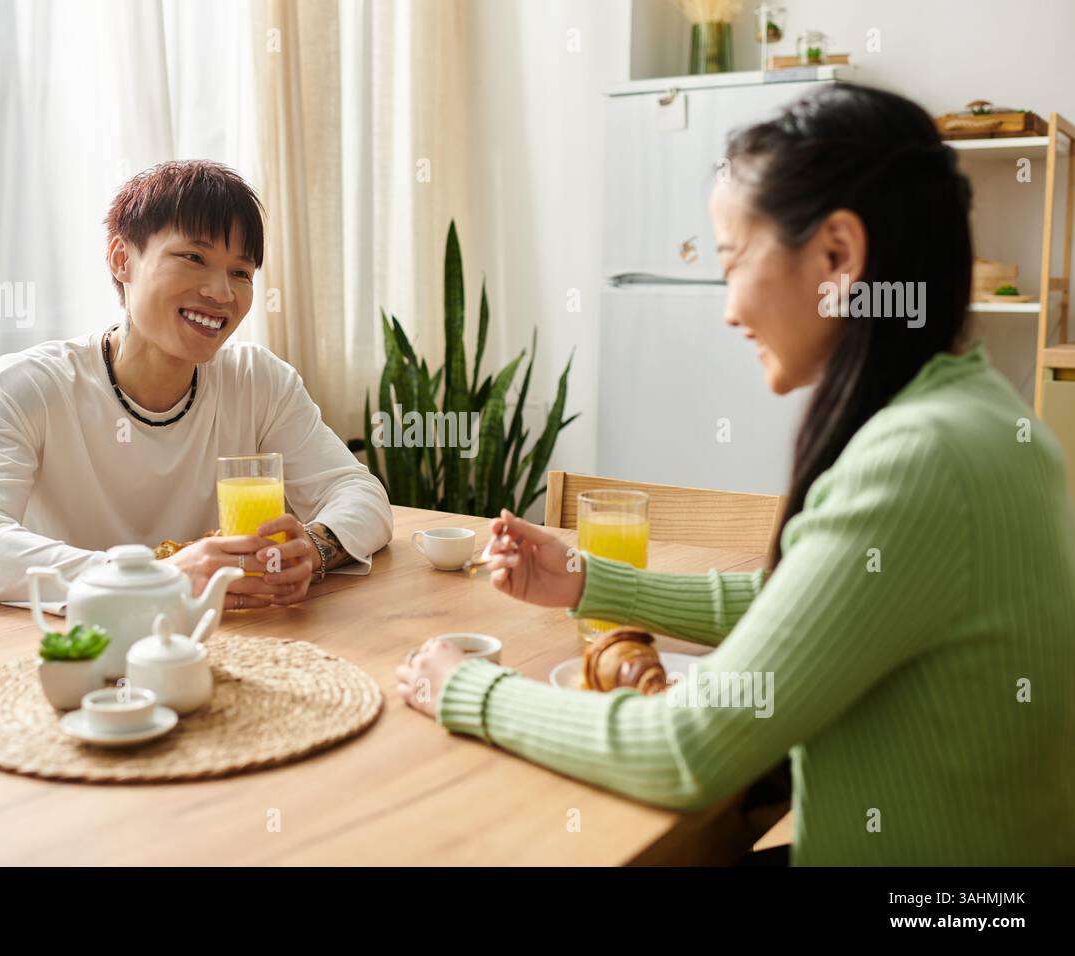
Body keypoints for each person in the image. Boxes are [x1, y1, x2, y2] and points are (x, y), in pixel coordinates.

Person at [397, 85, 1075, 865]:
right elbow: (802, 602)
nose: (726, 309)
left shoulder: (920, 460)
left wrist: (468, 691)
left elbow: (685, 750)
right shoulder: (982, 412)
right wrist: (587, 580)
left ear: (838, 257)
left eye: (732, 259)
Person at [0, 160, 392, 609]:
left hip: (226, 646)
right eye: (194, 258)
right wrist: (153, 578)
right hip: (77, 656)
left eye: (240, 272)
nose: (221, 293)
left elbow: (360, 495)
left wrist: (313, 547)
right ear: (121, 260)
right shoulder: (25, 388)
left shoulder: (258, 381)